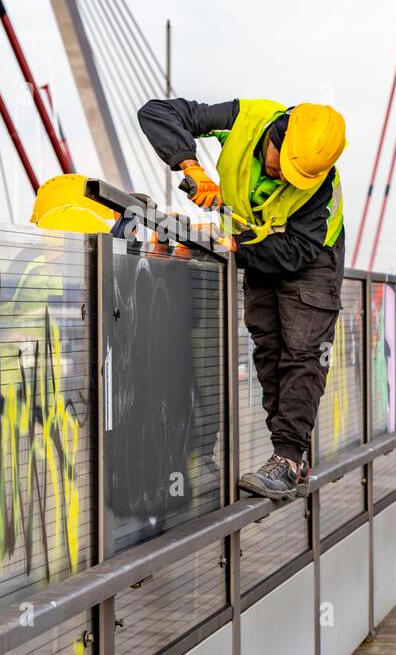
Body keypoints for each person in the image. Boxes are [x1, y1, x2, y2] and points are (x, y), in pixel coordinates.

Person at [138, 97, 346, 500]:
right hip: (253, 245)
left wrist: (231, 244)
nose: (281, 177)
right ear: (277, 135)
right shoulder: (243, 119)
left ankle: (287, 458)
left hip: (309, 258)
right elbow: (157, 112)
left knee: (302, 353)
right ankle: (288, 455)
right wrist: (190, 166)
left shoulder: (320, 183)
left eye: (292, 175)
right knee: (268, 350)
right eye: (279, 165)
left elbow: (296, 251)